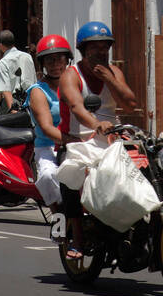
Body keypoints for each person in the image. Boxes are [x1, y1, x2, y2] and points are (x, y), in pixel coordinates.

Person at [58, 21, 137, 259]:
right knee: (72, 174)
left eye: (105, 47)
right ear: (83, 50)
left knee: (146, 165)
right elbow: (76, 107)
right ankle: (78, 239)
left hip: (113, 139)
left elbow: (130, 103)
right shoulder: (70, 75)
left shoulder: (114, 72)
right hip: (79, 139)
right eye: (95, 48)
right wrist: (97, 124)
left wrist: (110, 79)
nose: (102, 52)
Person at [26, 35, 73, 216]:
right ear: (43, 64)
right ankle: (59, 215)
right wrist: (71, 139)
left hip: (75, 144)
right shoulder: (38, 91)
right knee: (47, 176)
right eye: (49, 60)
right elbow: (46, 127)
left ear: (67, 60)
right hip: (48, 147)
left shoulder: (75, 85)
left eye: (60, 58)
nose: (55, 64)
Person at [0, 29, 36, 113]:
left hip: (14, 103)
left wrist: (13, 111)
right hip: (30, 101)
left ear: (1, 45)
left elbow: (6, 89)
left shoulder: (3, 62)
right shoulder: (27, 57)